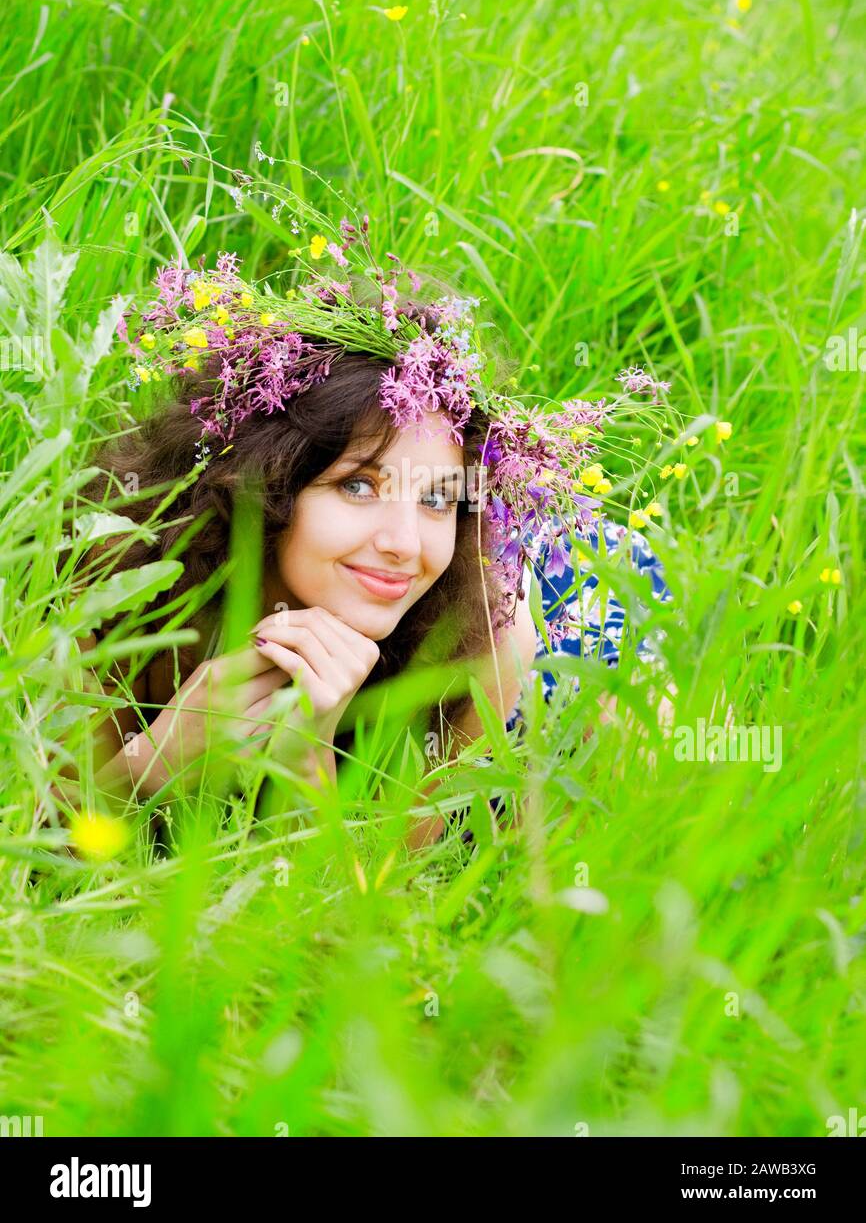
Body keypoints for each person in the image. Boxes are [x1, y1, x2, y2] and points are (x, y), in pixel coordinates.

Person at [55, 225, 676, 849]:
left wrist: (308, 764)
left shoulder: (484, 637)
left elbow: (382, 902)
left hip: (563, 604)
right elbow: (39, 845)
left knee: (654, 751)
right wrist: (157, 760)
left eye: (438, 498)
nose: (405, 542)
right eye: (357, 486)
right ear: (261, 484)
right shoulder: (119, 586)